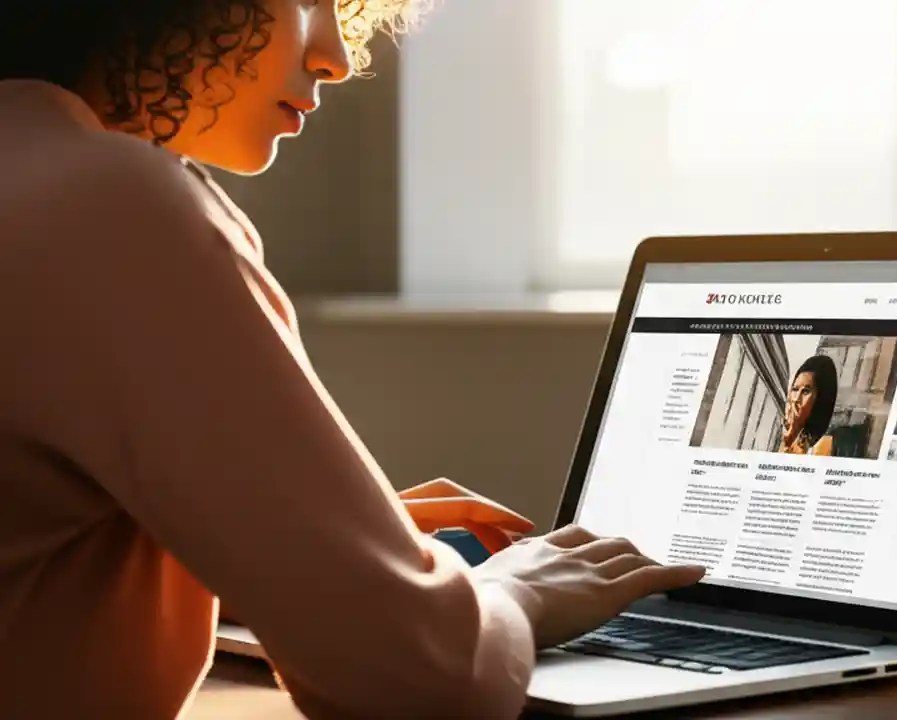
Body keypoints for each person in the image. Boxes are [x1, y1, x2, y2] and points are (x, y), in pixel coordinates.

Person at [0, 2, 704, 718]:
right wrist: (507, 588)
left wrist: (298, 549)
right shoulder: (112, 204)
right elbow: (418, 683)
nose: (336, 57)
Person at [776, 355, 839, 456]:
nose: (796, 399)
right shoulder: (784, 434)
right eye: (795, 389)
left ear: (820, 399)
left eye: (805, 392)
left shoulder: (824, 444)